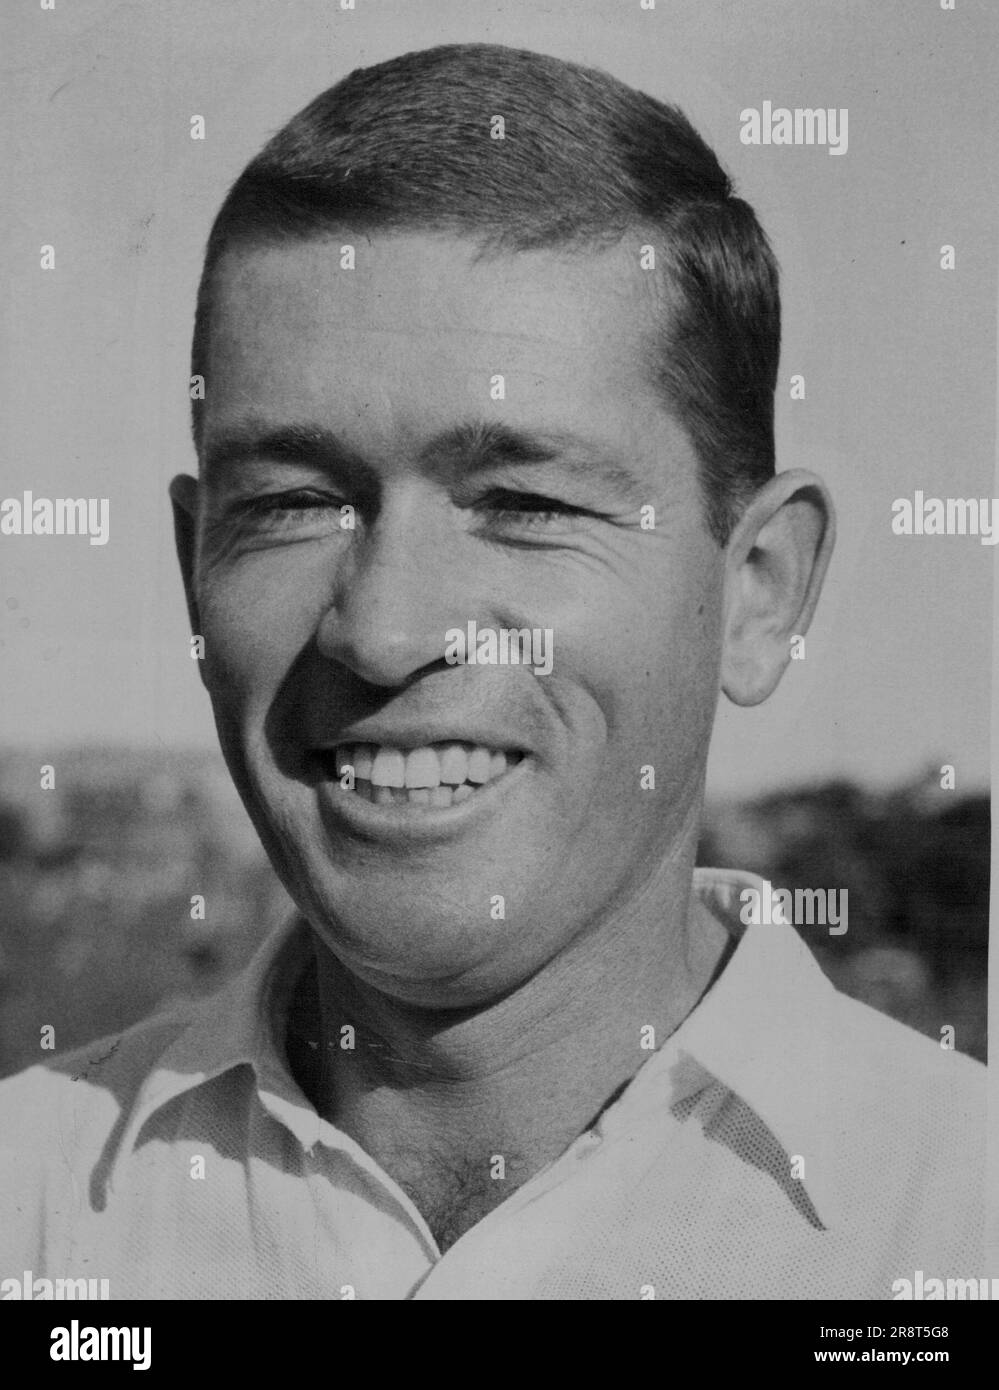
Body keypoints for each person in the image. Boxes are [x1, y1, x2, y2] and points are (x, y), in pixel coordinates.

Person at [0, 44, 982, 1301]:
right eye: (297, 503)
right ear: (194, 561)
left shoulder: (959, 1224)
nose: (384, 631)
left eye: (521, 502)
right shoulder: (29, 1220)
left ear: (759, 590)